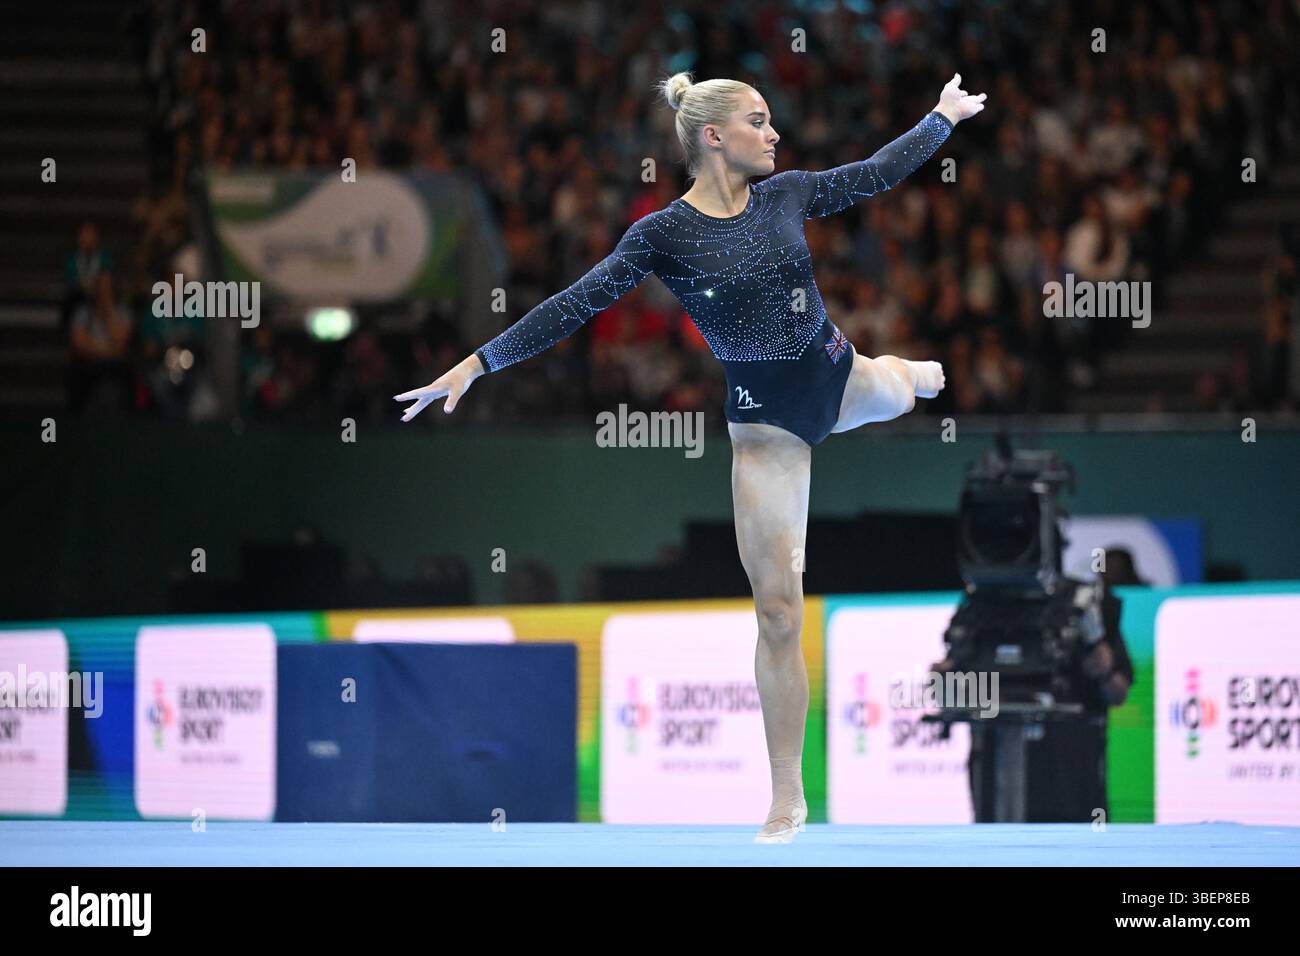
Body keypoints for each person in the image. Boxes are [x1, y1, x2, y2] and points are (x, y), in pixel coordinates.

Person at [396, 71, 987, 842]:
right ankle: (787, 797)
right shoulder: (662, 236)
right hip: (766, 427)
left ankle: (906, 374)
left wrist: (939, 117)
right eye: (759, 121)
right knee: (777, 611)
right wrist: (477, 364)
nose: (774, 134)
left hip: (839, 379)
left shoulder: (790, 194)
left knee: (898, 387)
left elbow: (875, 174)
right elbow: (574, 304)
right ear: (714, 136)